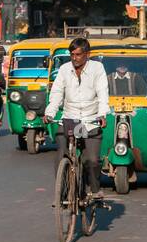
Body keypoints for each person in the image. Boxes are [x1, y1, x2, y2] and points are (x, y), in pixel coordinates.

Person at [45, 37, 109, 201]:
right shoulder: (65, 69)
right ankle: (63, 194)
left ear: (87, 54)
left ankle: (95, 189)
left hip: (90, 120)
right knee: (60, 154)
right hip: (69, 118)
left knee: (92, 160)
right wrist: (50, 113)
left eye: (78, 54)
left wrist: (102, 114)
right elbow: (57, 93)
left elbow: (103, 93)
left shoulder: (97, 68)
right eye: (72, 54)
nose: (74, 58)